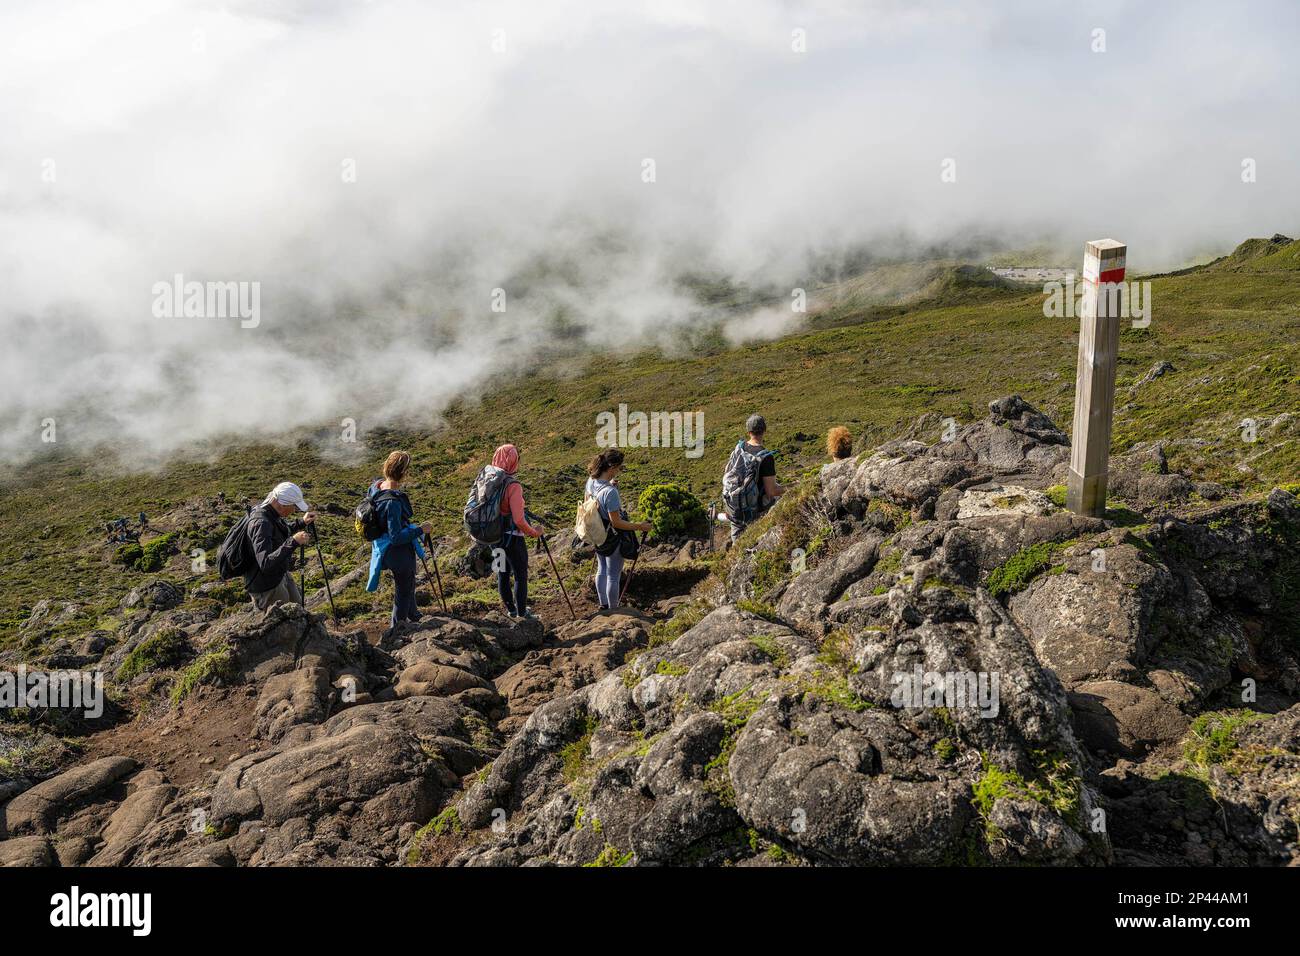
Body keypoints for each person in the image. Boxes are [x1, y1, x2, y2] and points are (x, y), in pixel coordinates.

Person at [365, 451, 432, 637]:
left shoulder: (376, 486)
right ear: (404, 473)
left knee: (408, 583)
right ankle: (397, 632)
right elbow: (396, 537)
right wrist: (420, 530)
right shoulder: (393, 501)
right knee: (402, 591)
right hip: (397, 552)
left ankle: (414, 614)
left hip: (381, 548)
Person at [585, 449, 651, 611]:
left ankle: (604, 605)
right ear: (612, 467)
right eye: (619, 467)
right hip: (612, 537)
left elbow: (590, 503)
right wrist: (640, 526)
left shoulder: (591, 481)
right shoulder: (610, 493)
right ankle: (614, 610)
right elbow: (617, 523)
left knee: (602, 569)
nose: (620, 470)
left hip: (597, 534)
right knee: (613, 575)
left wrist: (610, 485)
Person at [489, 444, 544, 619]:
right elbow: (519, 519)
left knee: (502, 573)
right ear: (513, 460)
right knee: (520, 574)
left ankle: (511, 610)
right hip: (512, 539)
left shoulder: (488, 480)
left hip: (493, 537)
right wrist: (534, 532)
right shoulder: (513, 485)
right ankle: (522, 614)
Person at [245, 481, 317, 612]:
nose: (295, 510)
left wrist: (301, 522)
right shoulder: (261, 522)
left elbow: (278, 532)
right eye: (294, 506)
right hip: (266, 586)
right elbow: (265, 563)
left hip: (280, 574)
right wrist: (293, 542)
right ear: (282, 504)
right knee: (283, 622)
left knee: (298, 610)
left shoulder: (271, 513)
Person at [726, 414, 785, 542]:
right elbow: (772, 491)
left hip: (735, 509)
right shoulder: (766, 457)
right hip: (755, 512)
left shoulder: (739, 448)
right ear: (764, 430)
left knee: (737, 550)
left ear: (748, 432)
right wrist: (792, 488)